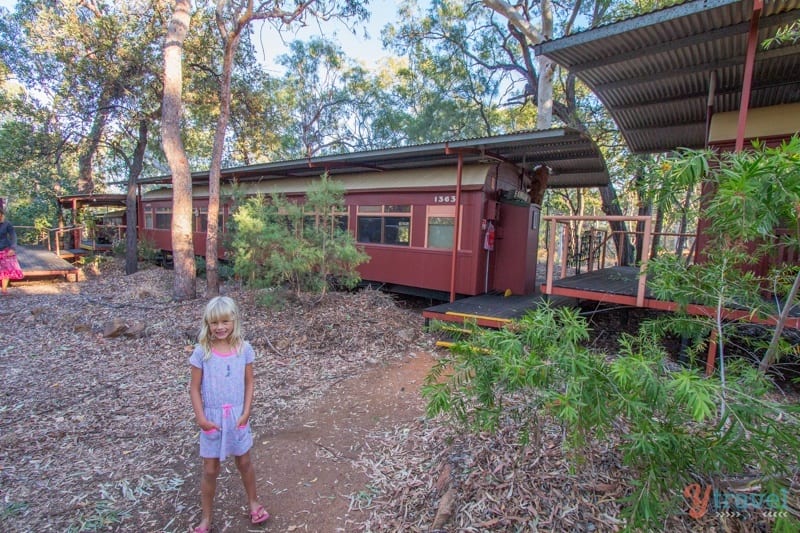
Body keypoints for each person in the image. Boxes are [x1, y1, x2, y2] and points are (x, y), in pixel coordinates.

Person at [189, 296, 270, 533]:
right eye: (215, 323)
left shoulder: (244, 349)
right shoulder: (201, 352)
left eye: (225, 321)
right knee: (210, 469)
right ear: (207, 323)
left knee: (244, 462)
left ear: (234, 321)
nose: (220, 327)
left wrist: (246, 412)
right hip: (212, 419)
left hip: (237, 417)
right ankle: (206, 518)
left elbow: (249, 382)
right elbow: (194, 388)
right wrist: (201, 418)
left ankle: (254, 503)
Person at [0, 208, 23, 295]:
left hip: (5, 249)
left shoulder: (7, 224)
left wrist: (13, 248)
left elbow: (13, 236)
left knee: (6, 270)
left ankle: (4, 290)